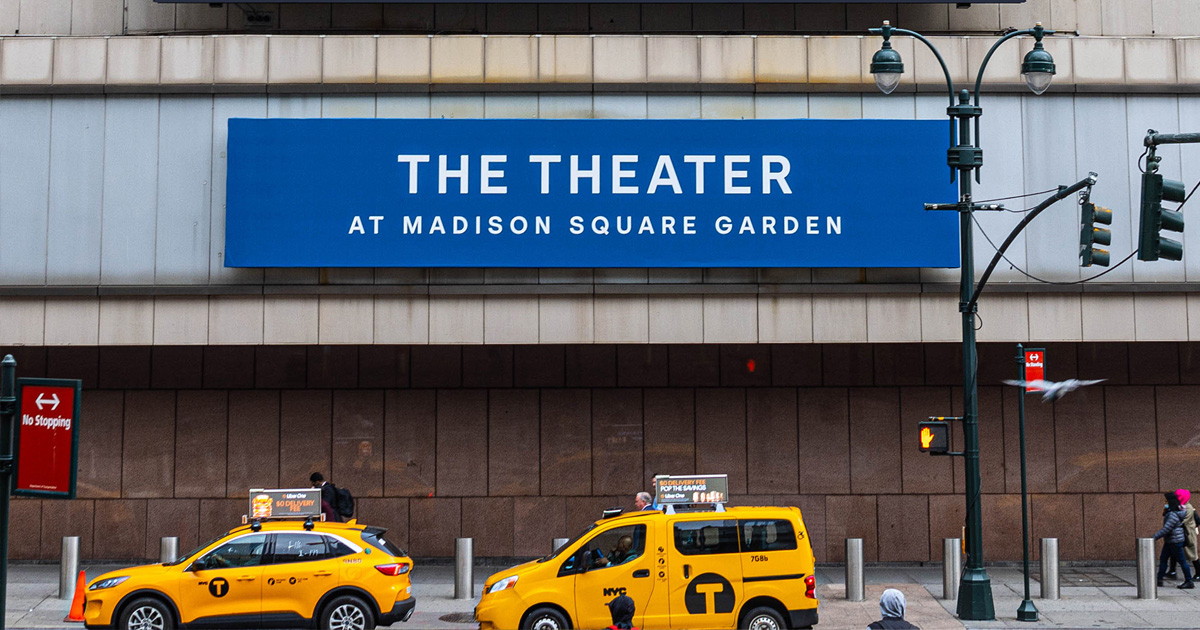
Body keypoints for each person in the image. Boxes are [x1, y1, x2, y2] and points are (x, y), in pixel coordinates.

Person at [1154, 491, 1193, 588]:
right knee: (1163, 559)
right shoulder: (1173, 512)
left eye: (1166, 501)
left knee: (1182, 561)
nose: (1165, 503)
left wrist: (1153, 537)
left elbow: (1166, 529)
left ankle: (1189, 581)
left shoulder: (1173, 514)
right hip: (1171, 540)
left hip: (1175, 541)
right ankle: (1159, 579)